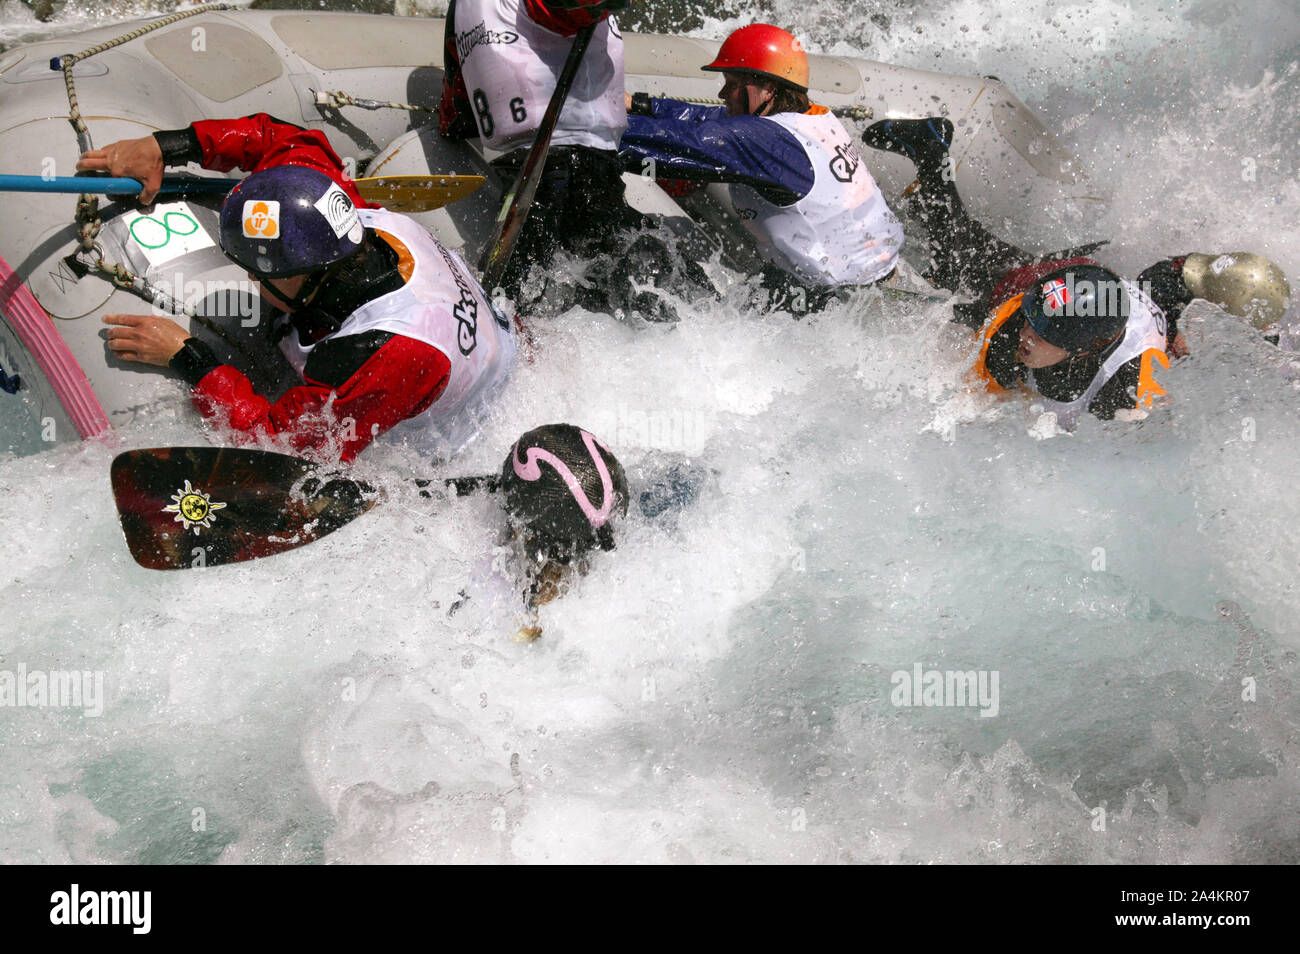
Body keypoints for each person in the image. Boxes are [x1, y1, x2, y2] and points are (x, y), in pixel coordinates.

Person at [77, 113, 516, 461]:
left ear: (303, 275)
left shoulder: (380, 353)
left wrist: (191, 360)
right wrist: (167, 146)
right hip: (470, 331)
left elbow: (281, 448)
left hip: (461, 427)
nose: (250, 278)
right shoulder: (342, 207)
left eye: (257, 273)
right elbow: (281, 140)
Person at [861, 116, 1290, 425]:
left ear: (1085, 349)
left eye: (1043, 333)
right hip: (1058, 280)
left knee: (978, 254)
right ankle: (931, 151)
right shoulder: (1014, 328)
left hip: (1081, 287)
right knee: (956, 271)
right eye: (1034, 324)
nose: (1028, 336)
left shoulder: (1131, 390)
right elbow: (967, 401)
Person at [618, 24, 904, 314]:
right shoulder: (809, 118)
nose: (722, 92)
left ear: (768, 89)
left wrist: (587, 130)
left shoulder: (768, 142)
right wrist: (639, 104)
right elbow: (713, 118)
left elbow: (683, 143)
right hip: (872, 274)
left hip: (835, 303)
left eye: (732, 83)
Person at [438, 0, 642, 299]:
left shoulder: (461, 9)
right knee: (618, 272)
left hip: (520, 168)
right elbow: (558, 10)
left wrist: (450, 126)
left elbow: (457, 101)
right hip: (580, 164)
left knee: (529, 289)